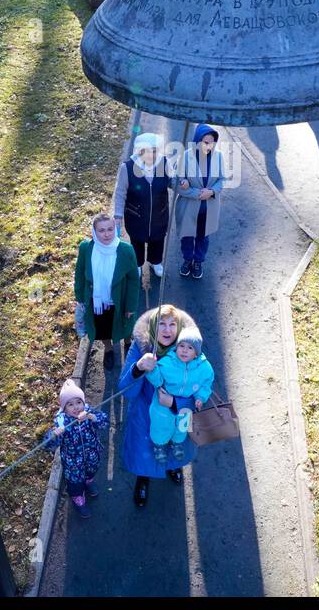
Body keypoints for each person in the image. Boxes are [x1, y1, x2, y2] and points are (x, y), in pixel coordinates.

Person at [118, 305, 199, 507]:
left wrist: (174, 402)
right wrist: (138, 369)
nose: (167, 330)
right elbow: (126, 391)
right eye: (162, 324)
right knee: (145, 453)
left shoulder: (188, 350)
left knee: (174, 446)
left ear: (179, 328)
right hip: (144, 416)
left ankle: (172, 467)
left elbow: (199, 393)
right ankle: (143, 478)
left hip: (176, 416)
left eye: (172, 324)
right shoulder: (140, 347)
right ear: (154, 326)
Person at [74, 212, 140, 372]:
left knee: (124, 324)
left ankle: (127, 342)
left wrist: (131, 306)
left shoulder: (125, 250)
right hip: (97, 302)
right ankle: (109, 349)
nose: (106, 234)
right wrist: (80, 297)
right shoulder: (86, 249)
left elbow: (133, 279)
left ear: (115, 229)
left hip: (120, 300)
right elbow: (80, 274)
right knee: (102, 328)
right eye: (101, 230)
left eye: (110, 229)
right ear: (94, 232)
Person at [42, 379, 109, 520]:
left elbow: (104, 422)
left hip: (92, 455)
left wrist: (92, 417)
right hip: (73, 464)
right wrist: (54, 435)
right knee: (75, 482)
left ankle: (89, 481)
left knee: (91, 471)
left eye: (78, 402)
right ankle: (78, 497)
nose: (76, 407)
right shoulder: (62, 422)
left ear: (83, 402)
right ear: (64, 408)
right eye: (70, 404)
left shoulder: (88, 413)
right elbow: (49, 445)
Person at [147, 327, 214, 464]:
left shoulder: (204, 368)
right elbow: (157, 380)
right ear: (176, 347)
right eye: (181, 346)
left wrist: (200, 397)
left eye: (190, 348)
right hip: (163, 406)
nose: (184, 350)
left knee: (182, 428)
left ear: (196, 353)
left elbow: (206, 384)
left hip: (187, 407)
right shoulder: (166, 363)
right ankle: (159, 446)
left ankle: (176, 443)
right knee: (161, 426)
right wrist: (152, 369)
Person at [113, 132, 172, 286]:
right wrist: (118, 215)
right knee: (137, 240)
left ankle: (155, 262)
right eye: (147, 151)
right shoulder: (128, 167)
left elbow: (173, 182)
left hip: (159, 214)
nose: (151, 154)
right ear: (140, 151)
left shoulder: (164, 163)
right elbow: (120, 192)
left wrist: (182, 183)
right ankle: (138, 265)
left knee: (158, 240)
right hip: (136, 215)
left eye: (154, 150)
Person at [174, 123, 225, 279]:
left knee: (203, 237)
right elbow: (176, 182)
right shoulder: (185, 157)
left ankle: (198, 262)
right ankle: (187, 260)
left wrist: (211, 191)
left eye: (212, 142)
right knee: (187, 236)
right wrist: (195, 192)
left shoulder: (218, 157)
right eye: (205, 142)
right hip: (189, 207)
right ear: (197, 141)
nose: (208, 146)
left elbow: (222, 180)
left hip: (208, 208)